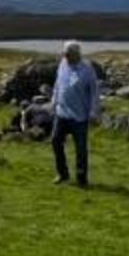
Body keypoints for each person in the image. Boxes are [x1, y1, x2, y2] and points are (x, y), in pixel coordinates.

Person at [51, 41, 100, 187]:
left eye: (69, 54)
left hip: (79, 116)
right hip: (62, 113)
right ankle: (63, 174)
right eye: (65, 54)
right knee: (55, 141)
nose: (66, 57)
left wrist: (93, 112)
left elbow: (94, 92)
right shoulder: (63, 64)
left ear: (77, 54)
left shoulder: (87, 69)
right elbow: (58, 85)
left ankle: (81, 178)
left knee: (80, 148)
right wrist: (54, 102)